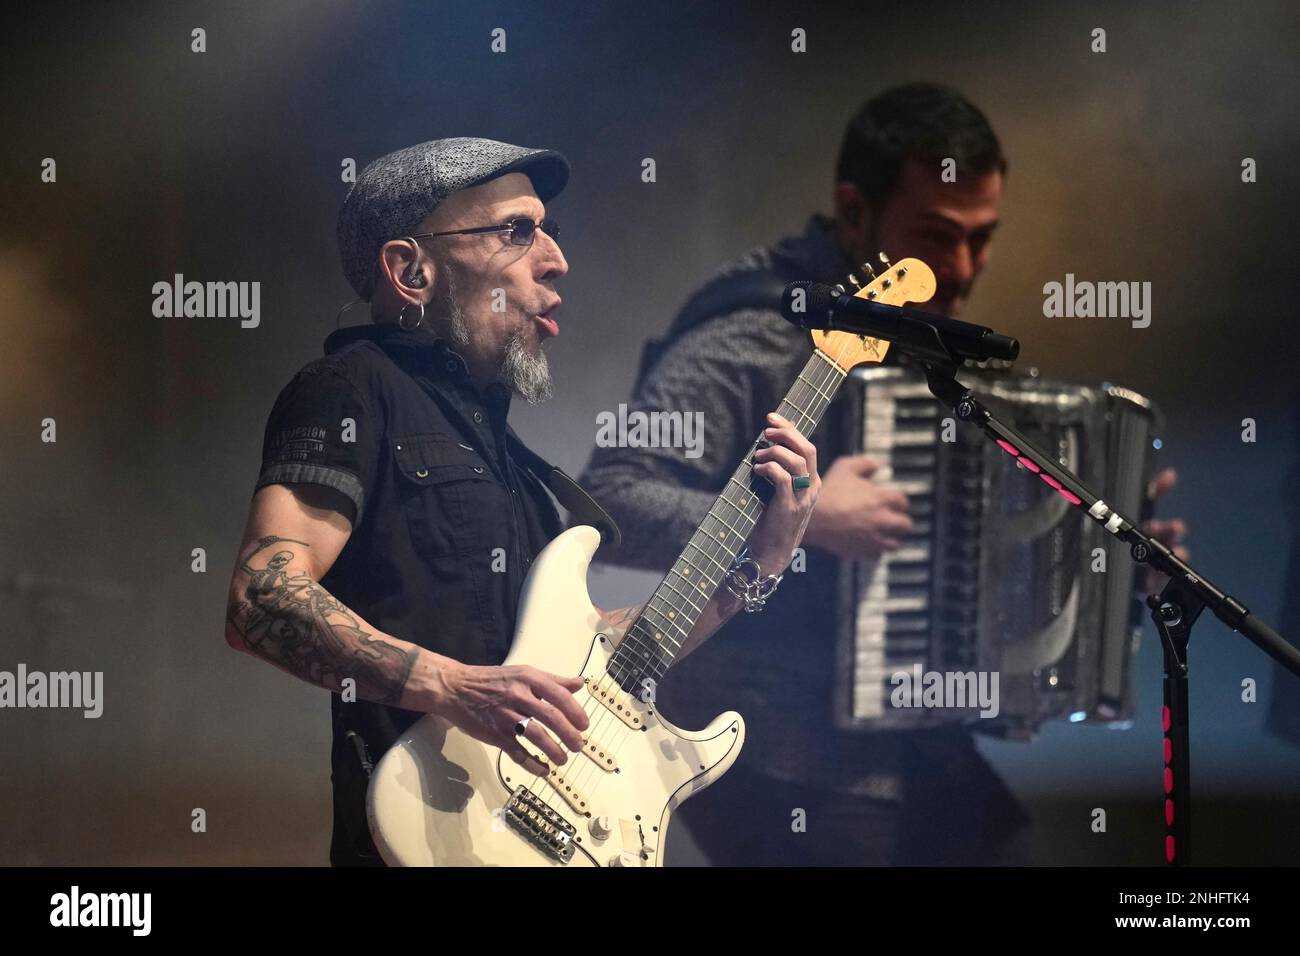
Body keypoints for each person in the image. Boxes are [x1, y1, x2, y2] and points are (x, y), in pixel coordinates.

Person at [578, 84, 1189, 865]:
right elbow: (611, 498)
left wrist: (1102, 570)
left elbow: (971, 556)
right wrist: (813, 519)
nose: (963, 268)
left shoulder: (916, 340)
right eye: (938, 234)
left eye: (982, 237)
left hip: (910, 749)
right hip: (771, 745)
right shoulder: (750, 335)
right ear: (855, 212)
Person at [222, 137, 822, 865]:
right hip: (428, 840)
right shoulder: (351, 390)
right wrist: (454, 687)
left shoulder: (514, 463)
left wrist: (758, 562)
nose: (555, 258)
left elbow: (600, 662)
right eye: (516, 231)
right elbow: (262, 597)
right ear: (411, 270)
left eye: (549, 231)